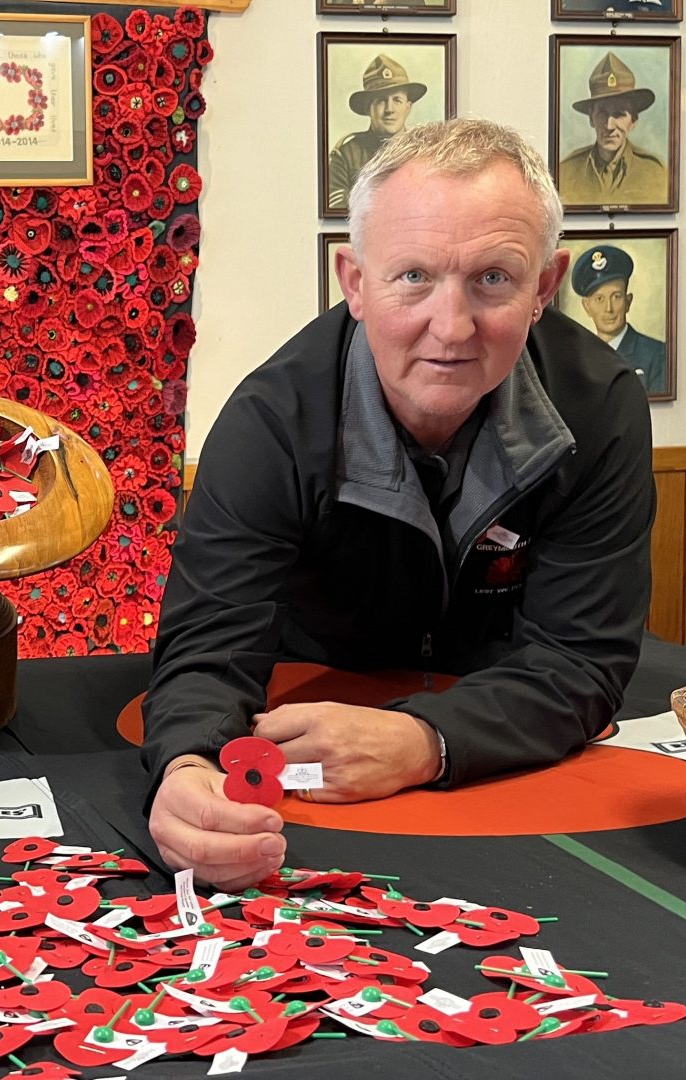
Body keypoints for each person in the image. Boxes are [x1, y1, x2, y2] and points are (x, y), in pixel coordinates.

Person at [143, 118, 653, 888]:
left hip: (505, 756)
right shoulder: (271, 420)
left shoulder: (600, 407)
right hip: (310, 737)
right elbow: (209, 646)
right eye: (412, 276)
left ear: (546, 286)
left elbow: (579, 660)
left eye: (493, 279)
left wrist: (423, 740)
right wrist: (184, 766)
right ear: (353, 282)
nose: (450, 329)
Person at [557, 52, 669, 206]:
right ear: (591, 119)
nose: (609, 126)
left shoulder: (656, 174)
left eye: (619, 114)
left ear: (633, 120)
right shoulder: (565, 173)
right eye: (602, 114)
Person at [327, 55, 427, 215]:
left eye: (397, 100)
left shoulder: (425, 152)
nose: (389, 109)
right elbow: (337, 209)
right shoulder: (346, 154)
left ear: (408, 108)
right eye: (381, 100)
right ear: (368, 108)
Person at [570, 243, 667, 395]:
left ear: (628, 301)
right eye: (599, 299)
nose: (609, 308)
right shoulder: (576, 358)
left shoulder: (657, 355)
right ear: (586, 306)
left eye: (616, 297)